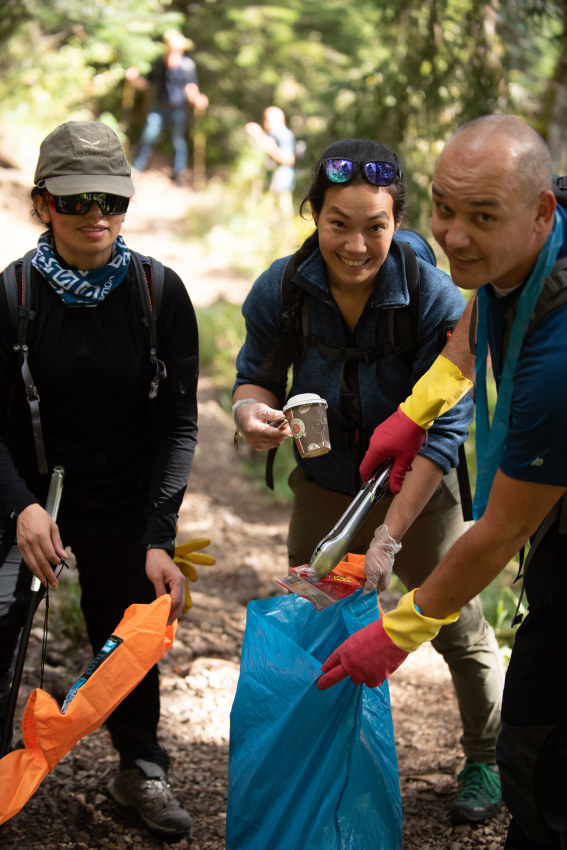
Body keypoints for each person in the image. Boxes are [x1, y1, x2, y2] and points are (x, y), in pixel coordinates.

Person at [232, 137, 505, 824]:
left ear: (397, 220)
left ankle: (486, 756)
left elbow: (445, 423)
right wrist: (249, 412)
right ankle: (319, 758)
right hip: (325, 482)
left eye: (375, 226)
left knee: (450, 616)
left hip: (416, 485)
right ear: (312, 215)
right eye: (337, 225)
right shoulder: (283, 287)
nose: (356, 245)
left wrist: (390, 532)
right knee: (311, 614)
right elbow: (255, 372)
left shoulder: (430, 294)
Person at [318, 115, 567, 849]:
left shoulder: (557, 362)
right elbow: (477, 317)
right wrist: (418, 408)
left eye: (480, 217)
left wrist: (400, 630)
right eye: (443, 208)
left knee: (539, 739)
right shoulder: (524, 246)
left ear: (538, 212)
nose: (452, 236)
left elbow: (500, 531)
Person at [0, 120, 199, 838]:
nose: (96, 217)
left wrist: (158, 535)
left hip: (122, 495)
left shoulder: (157, 293)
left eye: (111, 200)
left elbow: (178, 424)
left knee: (130, 632)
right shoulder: (13, 293)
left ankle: (139, 768)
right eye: (77, 200)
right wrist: (21, 508)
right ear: (43, 202)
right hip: (25, 493)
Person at [126, 29, 209, 186]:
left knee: (178, 141)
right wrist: (134, 79)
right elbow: (146, 85)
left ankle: (179, 173)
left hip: (178, 109)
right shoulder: (159, 63)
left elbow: (190, 88)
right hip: (159, 107)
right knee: (148, 135)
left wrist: (197, 99)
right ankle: (136, 169)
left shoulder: (187, 65)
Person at [245, 106, 296, 220]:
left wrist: (271, 148)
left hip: (282, 181)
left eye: (268, 120)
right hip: (273, 182)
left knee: (284, 214)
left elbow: (289, 159)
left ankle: (289, 236)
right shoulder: (273, 134)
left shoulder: (283, 135)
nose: (266, 124)